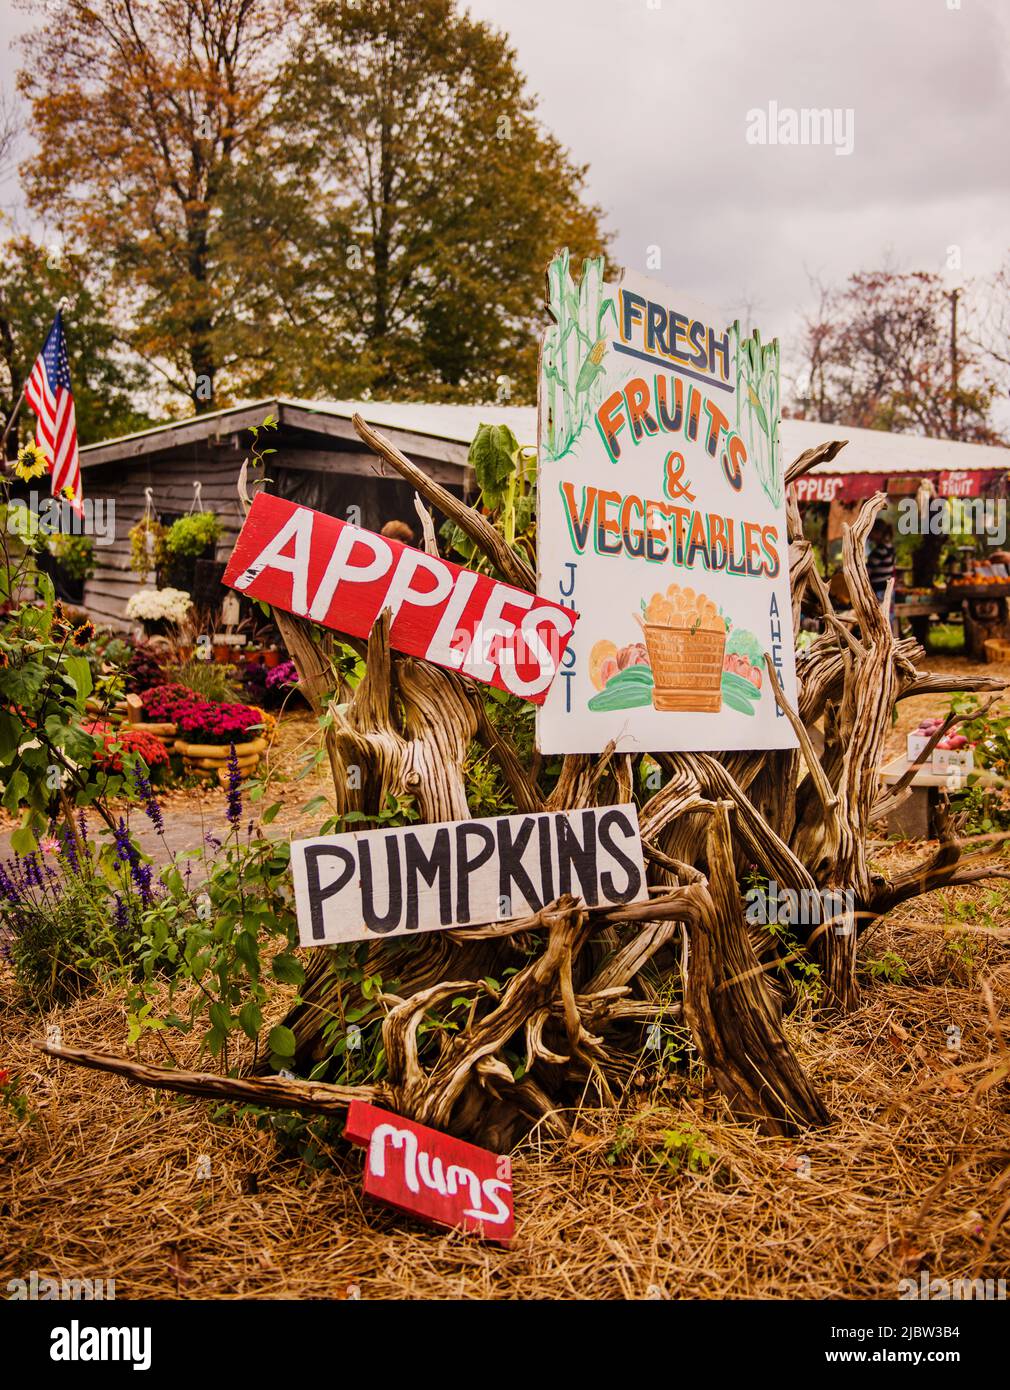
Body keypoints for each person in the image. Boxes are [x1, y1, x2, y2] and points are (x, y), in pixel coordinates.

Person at [866, 519, 896, 603]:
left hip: (879, 590)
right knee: (887, 615)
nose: (869, 535)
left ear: (878, 533)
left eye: (870, 531)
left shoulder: (880, 550)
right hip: (888, 590)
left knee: (878, 615)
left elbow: (867, 572)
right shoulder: (890, 547)